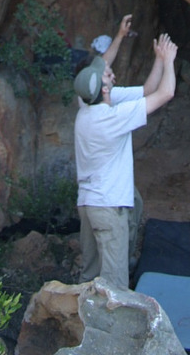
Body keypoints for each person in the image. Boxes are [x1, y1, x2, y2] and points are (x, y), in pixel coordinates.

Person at [73, 25, 178, 291]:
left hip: (88, 204)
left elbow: (146, 89)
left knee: (89, 276)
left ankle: (79, 315)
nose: (111, 74)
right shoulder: (112, 118)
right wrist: (169, 61)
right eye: (107, 75)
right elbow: (165, 93)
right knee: (115, 286)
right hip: (109, 207)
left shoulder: (86, 106)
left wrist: (157, 58)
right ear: (105, 89)